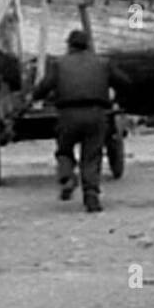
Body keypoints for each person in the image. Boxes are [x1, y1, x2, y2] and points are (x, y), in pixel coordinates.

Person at [31, 29, 131, 213]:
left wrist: (32, 98)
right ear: (88, 45)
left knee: (64, 150)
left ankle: (67, 177)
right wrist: (116, 96)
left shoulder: (58, 64)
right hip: (96, 114)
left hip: (68, 114)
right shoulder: (103, 63)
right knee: (92, 155)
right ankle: (91, 195)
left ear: (69, 45)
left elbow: (44, 87)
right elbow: (125, 82)